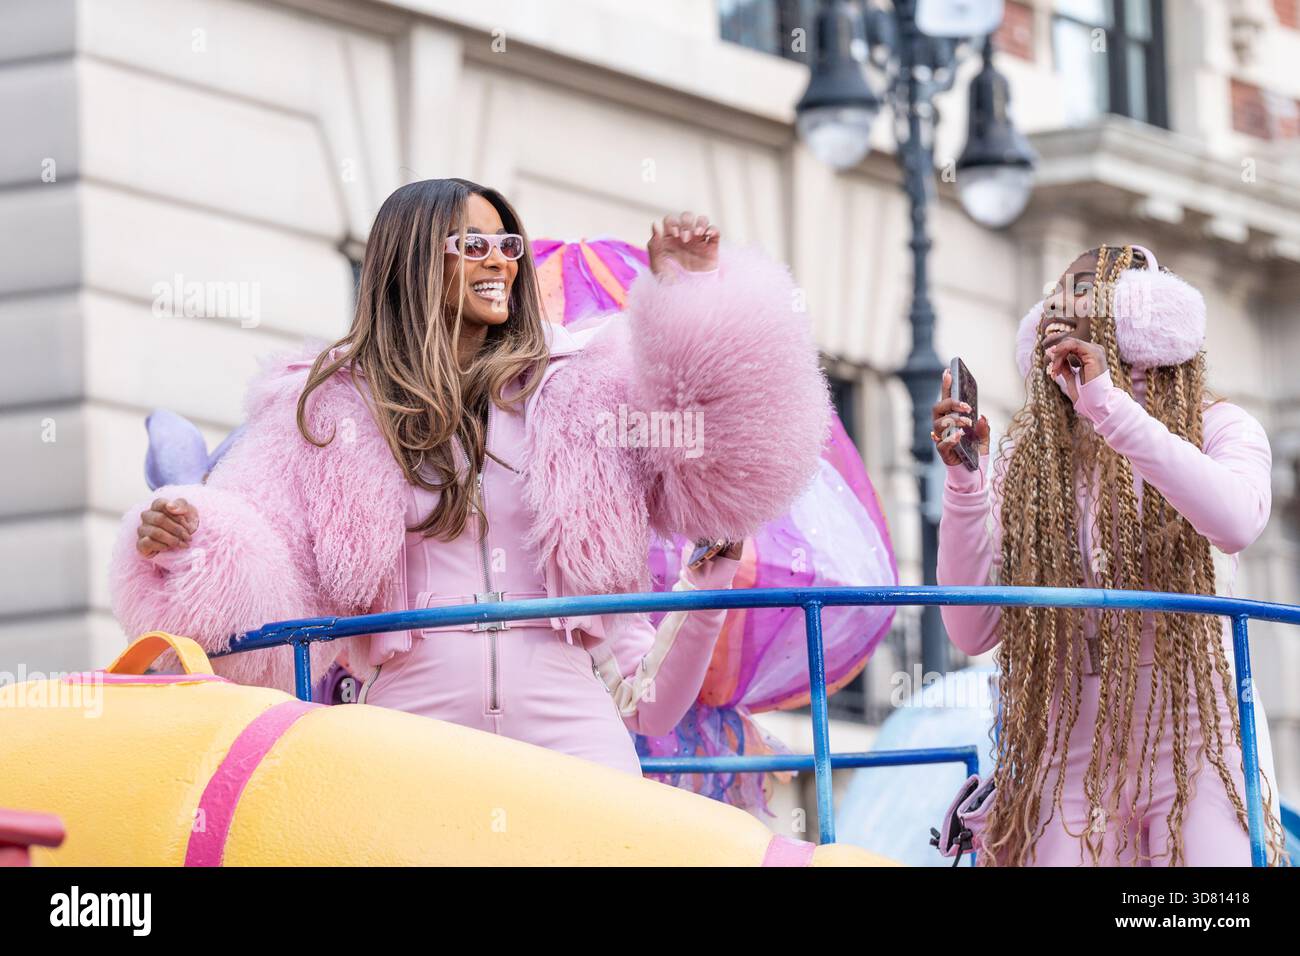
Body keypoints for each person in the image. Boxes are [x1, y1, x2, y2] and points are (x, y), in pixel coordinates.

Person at [109, 177, 831, 777]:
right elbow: (269, 567)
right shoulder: (329, 409)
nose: (502, 263)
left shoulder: (583, 388)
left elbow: (716, 445)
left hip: (572, 729)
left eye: (508, 246)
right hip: (410, 730)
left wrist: (690, 296)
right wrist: (193, 541)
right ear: (417, 261)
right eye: (475, 245)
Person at [932, 243, 1287, 866]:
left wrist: (1108, 407)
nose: (1064, 305)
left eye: (1087, 289)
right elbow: (970, 629)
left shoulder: (1220, 426)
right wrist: (967, 482)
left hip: (1198, 738)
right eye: (1058, 294)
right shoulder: (1028, 462)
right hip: (1068, 746)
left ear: (1146, 317)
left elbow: (1235, 521)